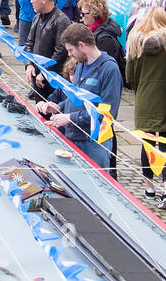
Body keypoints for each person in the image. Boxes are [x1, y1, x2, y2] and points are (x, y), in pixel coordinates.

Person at [36, 23, 122, 170]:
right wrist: (58, 107)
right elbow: (76, 97)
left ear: (81, 45)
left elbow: (106, 114)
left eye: (71, 50)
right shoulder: (80, 64)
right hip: (73, 137)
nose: (69, 55)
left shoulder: (109, 69)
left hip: (94, 144)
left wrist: (70, 118)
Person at [126, 6, 166, 208]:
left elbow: (130, 77)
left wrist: (140, 87)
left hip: (145, 99)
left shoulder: (135, 43)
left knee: (147, 145)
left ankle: (149, 186)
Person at [22, 0, 72, 97]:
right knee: (39, 108)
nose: (31, 1)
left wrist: (46, 72)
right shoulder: (37, 17)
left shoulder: (61, 20)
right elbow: (29, 43)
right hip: (37, 73)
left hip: (53, 76)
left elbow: (61, 52)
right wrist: (29, 64)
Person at [78, 0, 125, 80]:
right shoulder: (95, 29)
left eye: (83, 13)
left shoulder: (105, 39)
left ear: (94, 14)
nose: (81, 16)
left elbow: (104, 68)